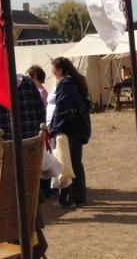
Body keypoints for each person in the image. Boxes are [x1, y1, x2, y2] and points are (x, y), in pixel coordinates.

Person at [0, 72, 48, 257]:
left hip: (10, 148)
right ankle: (33, 236)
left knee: (10, 195)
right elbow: (40, 111)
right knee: (30, 189)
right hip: (31, 146)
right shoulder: (28, 83)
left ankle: (23, 240)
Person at [49, 57, 91, 208]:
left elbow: (62, 108)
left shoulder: (66, 84)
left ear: (60, 70)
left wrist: (55, 129)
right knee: (73, 162)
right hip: (75, 128)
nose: (52, 72)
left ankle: (71, 198)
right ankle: (77, 197)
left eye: (54, 69)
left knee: (67, 163)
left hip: (69, 129)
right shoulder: (74, 82)